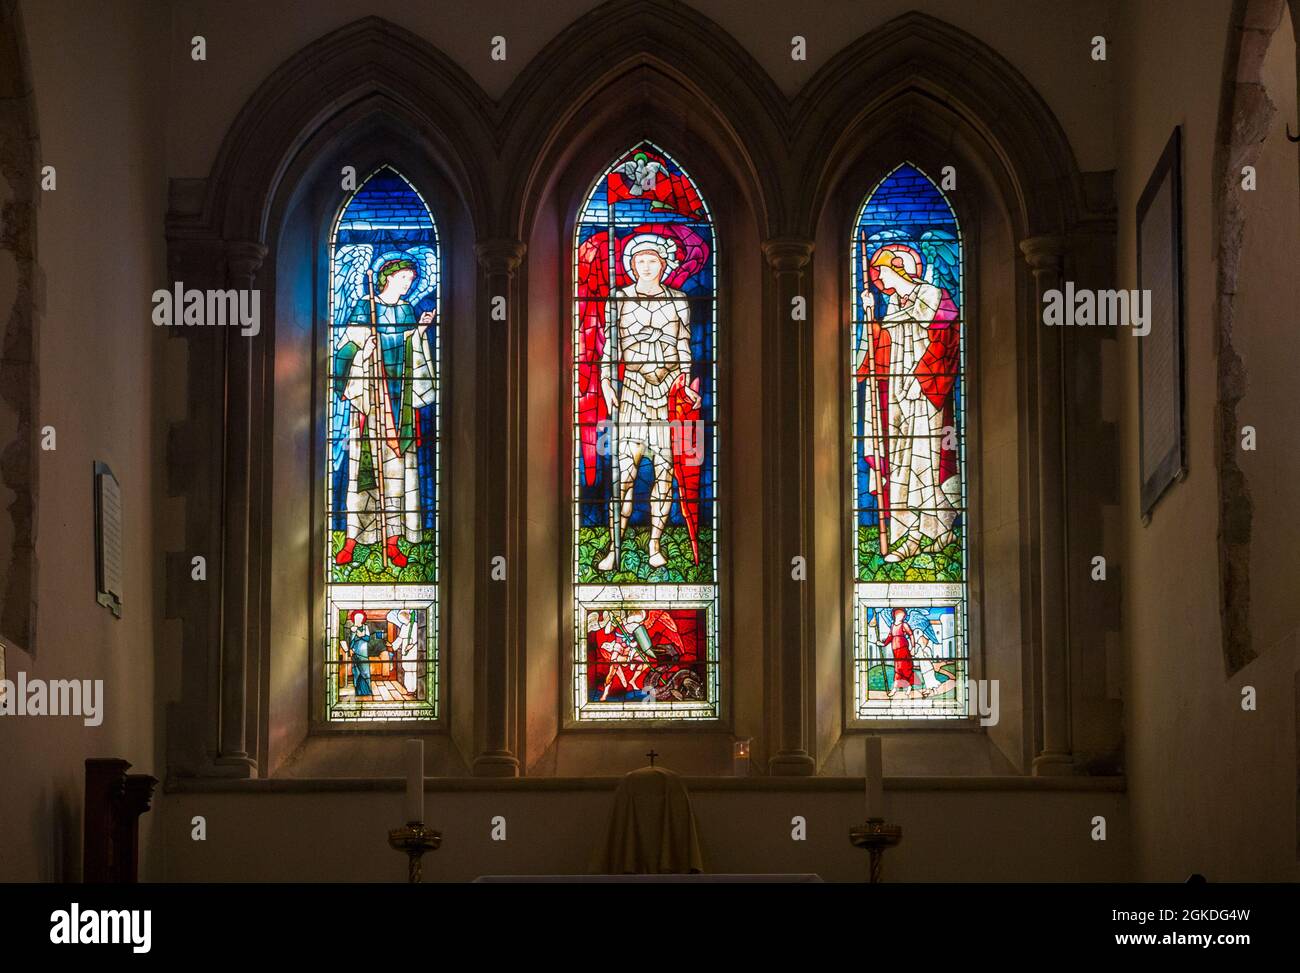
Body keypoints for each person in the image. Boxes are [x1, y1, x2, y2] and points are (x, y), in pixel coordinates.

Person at [595, 235, 700, 572]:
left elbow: (684, 343)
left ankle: (655, 544)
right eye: (640, 260)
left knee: (664, 473)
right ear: (631, 265)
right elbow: (610, 346)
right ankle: (615, 547)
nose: (646, 265)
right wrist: (607, 383)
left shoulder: (679, 299)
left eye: (652, 259)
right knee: (623, 475)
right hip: (633, 391)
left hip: (669, 393)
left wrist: (686, 379)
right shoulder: (619, 298)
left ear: (663, 264)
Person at [334, 258, 436, 569]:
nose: (408, 283)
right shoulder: (366, 308)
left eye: (411, 279)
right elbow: (345, 349)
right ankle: (353, 540)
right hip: (371, 401)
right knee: (363, 477)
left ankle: (392, 542)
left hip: (399, 402)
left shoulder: (405, 311)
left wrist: (419, 331)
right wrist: (365, 346)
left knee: (397, 478)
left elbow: (412, 351)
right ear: (387, 278)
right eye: (404, 277)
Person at [861, 244, 960, 562]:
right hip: (899, 391)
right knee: (900, 461)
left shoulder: (931, 296)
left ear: (899, 267)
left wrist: (923, 378)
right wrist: (870, 318)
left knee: (925, 462)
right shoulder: (892, 306)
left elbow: (944, 334)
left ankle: (931, 530)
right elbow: (883, 344)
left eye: (882, 270)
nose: (878, 277)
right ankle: (911, 530)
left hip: (926, 392)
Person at [344, 610, 373, 697]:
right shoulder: (352, 628)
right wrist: (350, 649)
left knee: (365, 672)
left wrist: (362, 636)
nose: (358, 619)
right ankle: (358, 692)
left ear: (362, 619)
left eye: (360, 618)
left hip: (363, 652)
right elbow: (351, 640)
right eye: (356, 618)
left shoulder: (365, 627)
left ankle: (367, 691)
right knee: (356, 671)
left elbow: (368, 639)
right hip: (355, 652)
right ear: (354, 619)